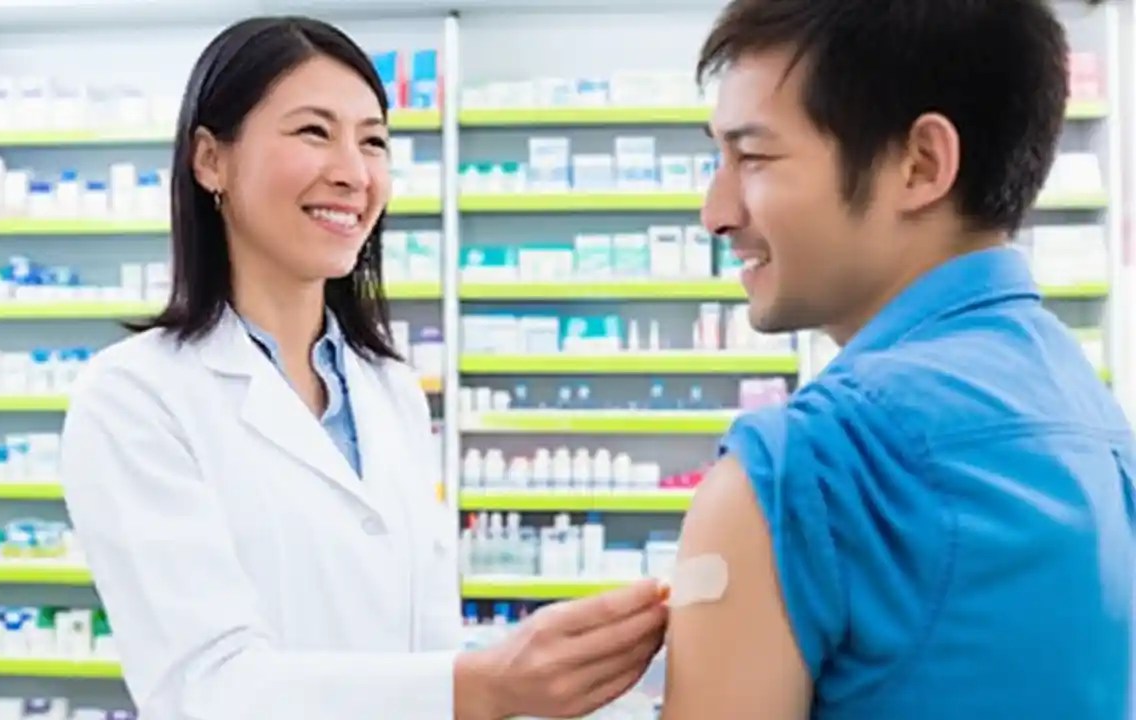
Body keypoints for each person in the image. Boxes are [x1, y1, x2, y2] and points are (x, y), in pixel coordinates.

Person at [57, 16, 668, 720]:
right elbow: (208, 690)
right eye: (314, 132)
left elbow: (427, 646)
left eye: (373, 140)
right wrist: (485, 684)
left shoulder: (389, 390)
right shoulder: (136, 397)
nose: (353, 172)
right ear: (209, 159)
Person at [660, 1, 1134, 719]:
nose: (716, 210)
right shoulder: (1097, 426)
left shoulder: (799, 473)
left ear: (920, 165)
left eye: (752, 156)